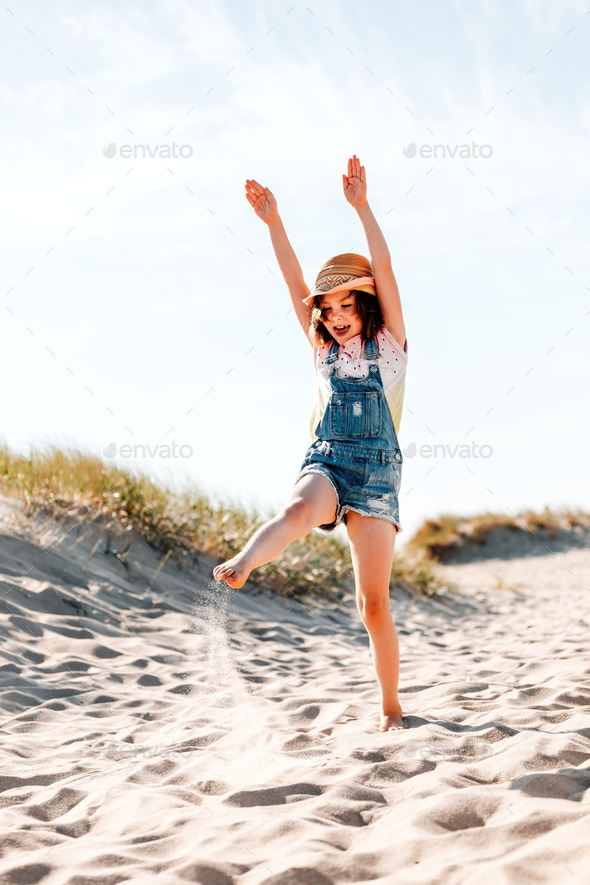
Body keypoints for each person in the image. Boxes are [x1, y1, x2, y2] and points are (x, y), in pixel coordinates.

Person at [213, 154, 409, 733]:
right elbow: (294, 282)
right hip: (328, 459)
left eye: (348, 304)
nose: (337, 315)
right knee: (298, 509)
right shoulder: (321, 349)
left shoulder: (392, 344)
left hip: (376, 475)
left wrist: (362, 208)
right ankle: (246, 562)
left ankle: (391, 707)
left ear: (366, 304)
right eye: (329, 308)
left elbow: (387, 269)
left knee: (371, 605)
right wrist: (274, 223)